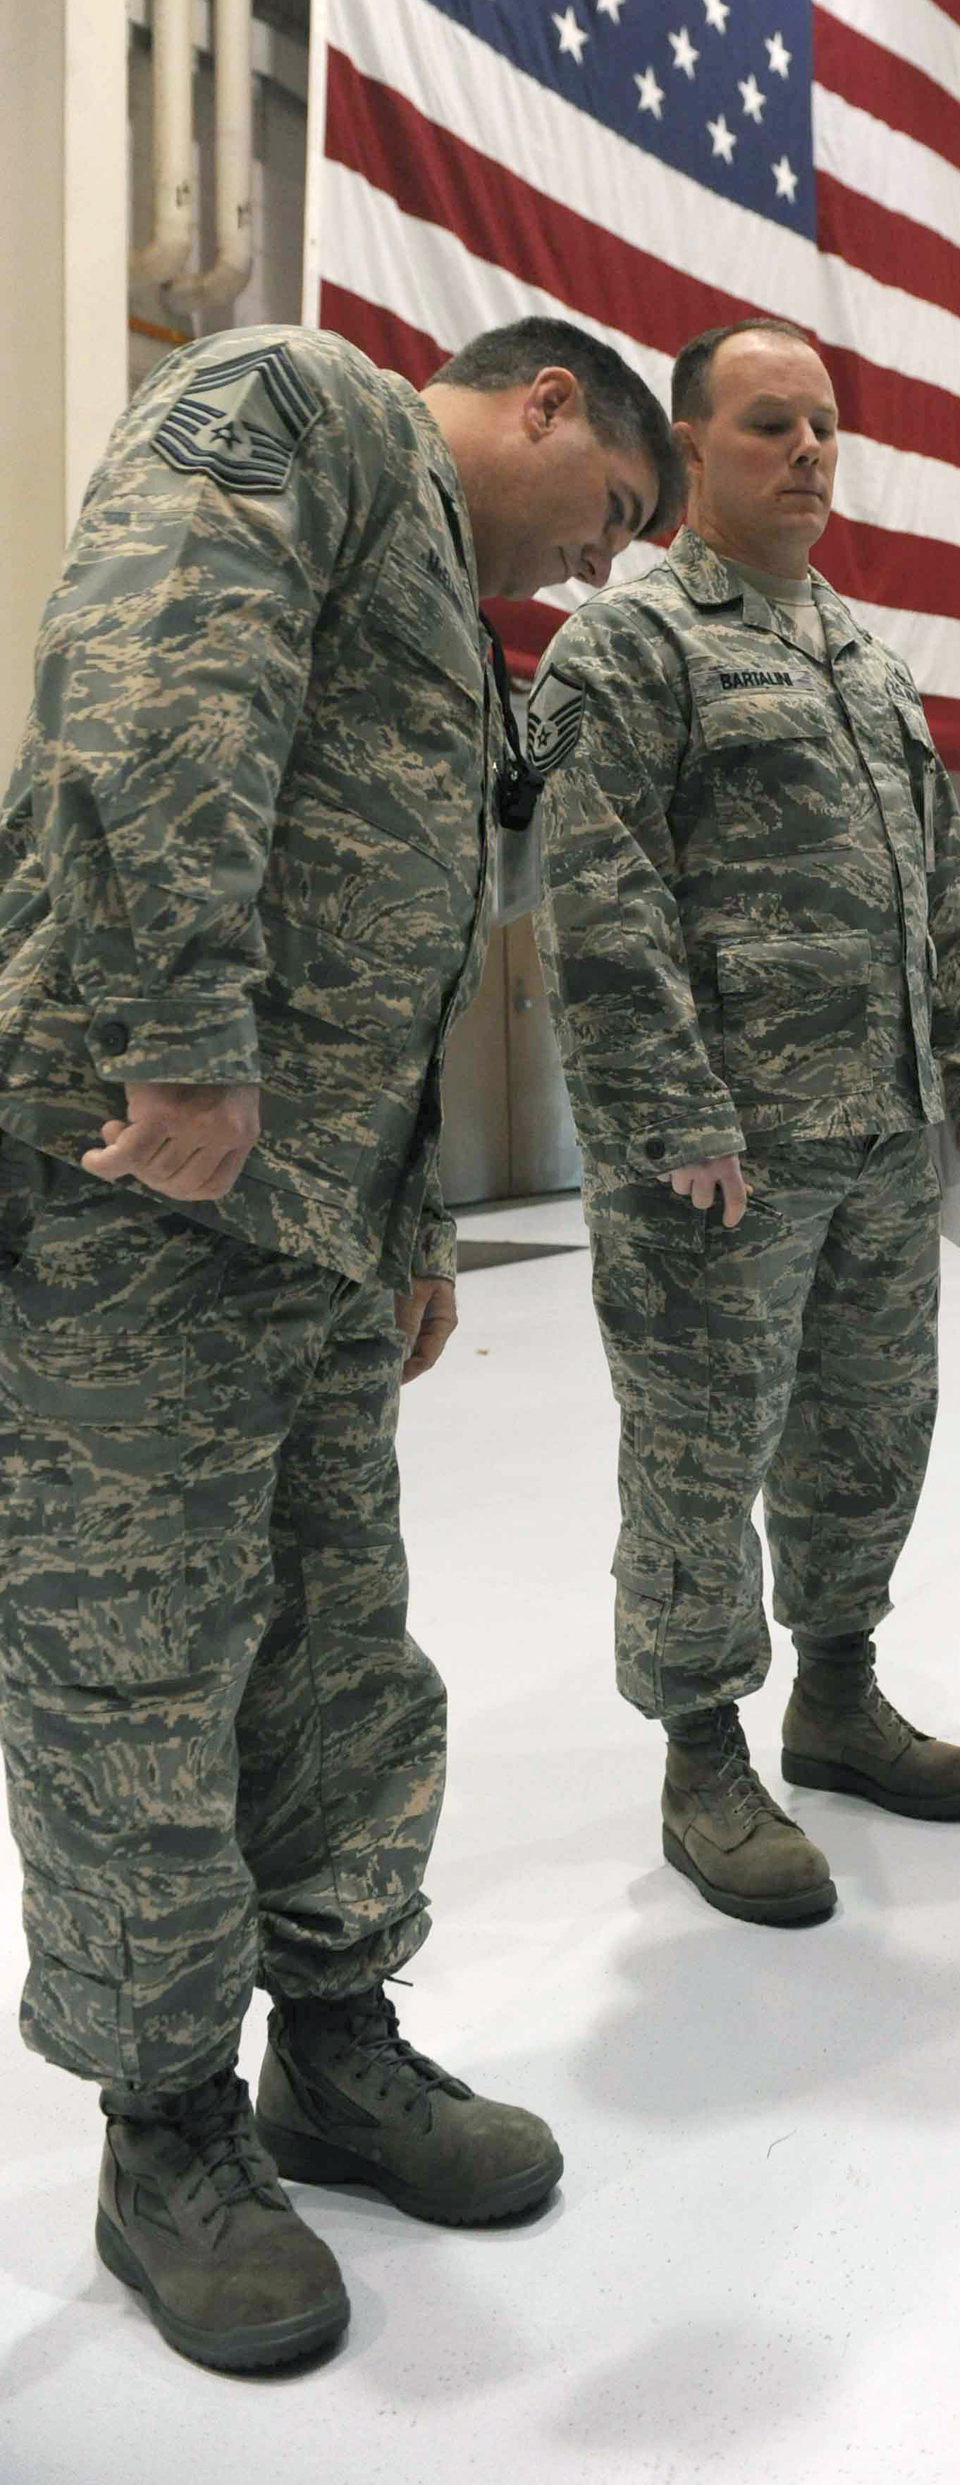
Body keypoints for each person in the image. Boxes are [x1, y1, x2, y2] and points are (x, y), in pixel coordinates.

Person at [0, 316, 673, 2373]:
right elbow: (153, 698)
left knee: (333, 1651)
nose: (594, 569)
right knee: (137, 1656)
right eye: (613, 515)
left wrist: (402, 1220)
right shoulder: (297, 408)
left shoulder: (430, 589)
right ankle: (169, 2131)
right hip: (138, 1175)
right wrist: (183, 1037)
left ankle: (333, 2046)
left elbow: (367, 922)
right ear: (545, 404)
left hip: (294, 1228)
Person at [529, 315, 960, 1932]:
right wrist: (675, 1110)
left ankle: (838, 1688)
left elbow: (942, 899)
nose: (809, 449)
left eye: (823, 423)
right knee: (698, 1452)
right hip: (720, 1161)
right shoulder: (635, 643)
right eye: (767, 425)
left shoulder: (866, 657)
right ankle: (699, 1752)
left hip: (882, 1144)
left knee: (871, 1431)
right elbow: (604, 902)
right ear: (685, 452)